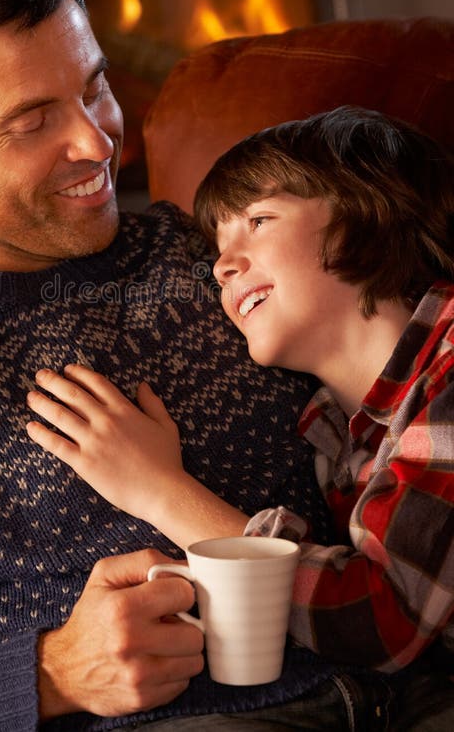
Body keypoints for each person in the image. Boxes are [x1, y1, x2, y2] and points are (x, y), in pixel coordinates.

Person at [0, 0, 335, 731]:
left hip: (393, 670)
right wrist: (45, 675)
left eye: (95, 86)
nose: (96, 139)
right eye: (32, 120)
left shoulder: (212, 250)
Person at [27, 106, 454, 729]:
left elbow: (378, 621)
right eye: (220, 247)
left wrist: (161, 491)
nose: (223, 265)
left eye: (258, 221)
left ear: (366, 215)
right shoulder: (333, 432)